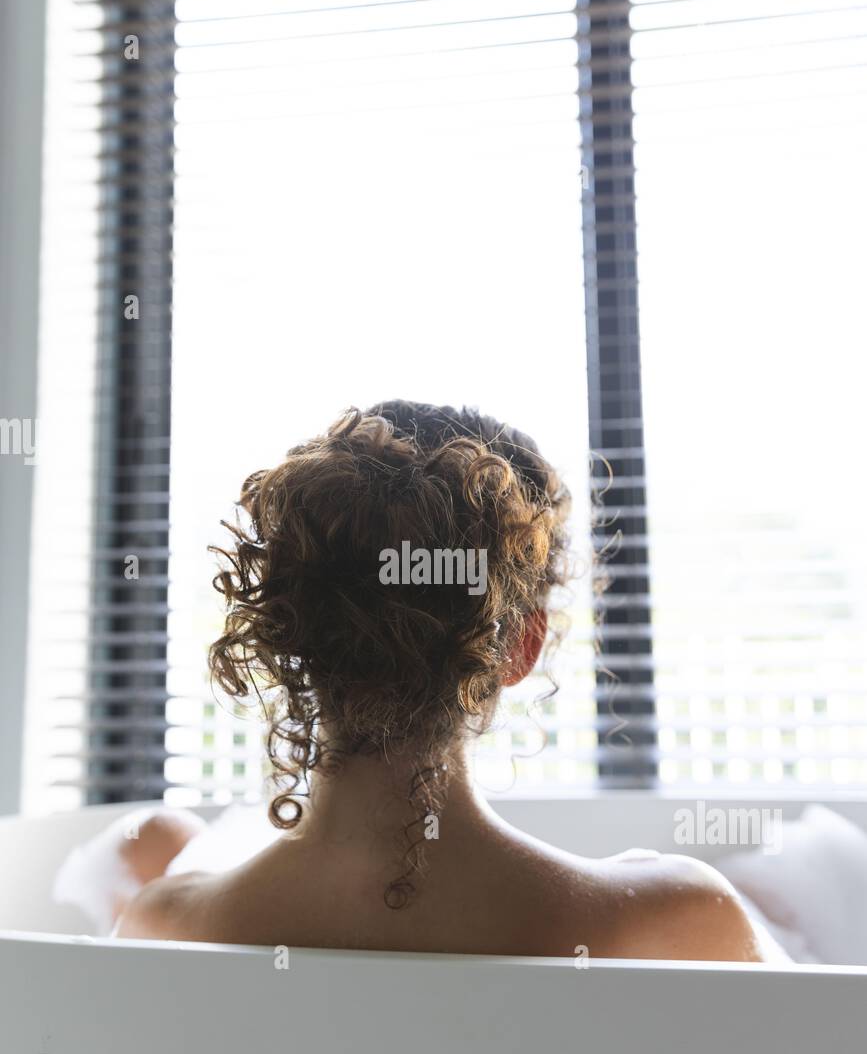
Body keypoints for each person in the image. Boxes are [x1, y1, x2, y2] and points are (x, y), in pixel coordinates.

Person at [116, 401, 775, 962]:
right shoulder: (682, 920)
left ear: (288, 637)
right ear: (520, 643)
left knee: (160, 838)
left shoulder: (165, 925)